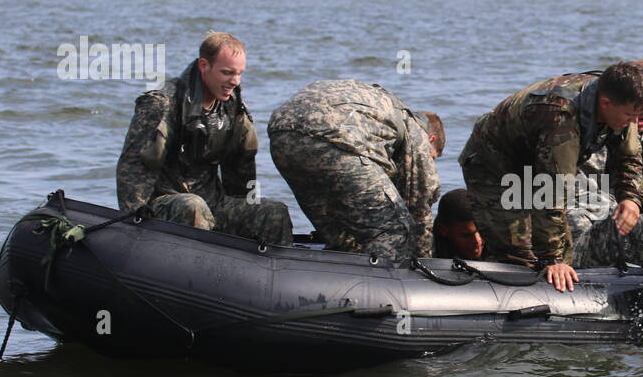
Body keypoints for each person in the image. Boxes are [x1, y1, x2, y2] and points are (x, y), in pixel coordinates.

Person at [459, 60, 643, 291]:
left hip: (536, 160)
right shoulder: (561, 116)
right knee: (518, 251)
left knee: (551, 244)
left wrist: (630, 198)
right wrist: (554, 260)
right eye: (630, 116)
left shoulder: (622, 103)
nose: (635, 123)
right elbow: (551, 193)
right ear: (606, 103)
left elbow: (629, 158)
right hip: (494, 165)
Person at [116, 31, 294, 245]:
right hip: (164, 204)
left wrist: (248, 209)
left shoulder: (233, 108)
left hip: (213, 203)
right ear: (204, 66)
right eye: (227, 73)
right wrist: (133, 222)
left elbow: (241, 168)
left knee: (273, 212)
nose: (235, 82)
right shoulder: (162, 104)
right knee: (193, 206)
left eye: (239, 74)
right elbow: (134, 166)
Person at [268, 79, 443, 260]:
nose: (430, 162)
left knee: (340, 233)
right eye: (432, 157)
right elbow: (420, 206)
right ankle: (381, 285)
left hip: (281, 132)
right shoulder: (418, 131)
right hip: (333, 136)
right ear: (431, 139)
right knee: (396, 230)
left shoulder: (383, 114)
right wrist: (425, 263)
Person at [568, 91, 643, 270]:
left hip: (625, 203)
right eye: (633, 112)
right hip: (589, 202)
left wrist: (638, 209)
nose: (641, 114)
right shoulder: (601, 122)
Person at [433, 188, 486, 260]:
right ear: (444, 230)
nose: (477, 240)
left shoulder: (499, 242)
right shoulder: (426, 253)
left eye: (481, 231)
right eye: (467, 235)